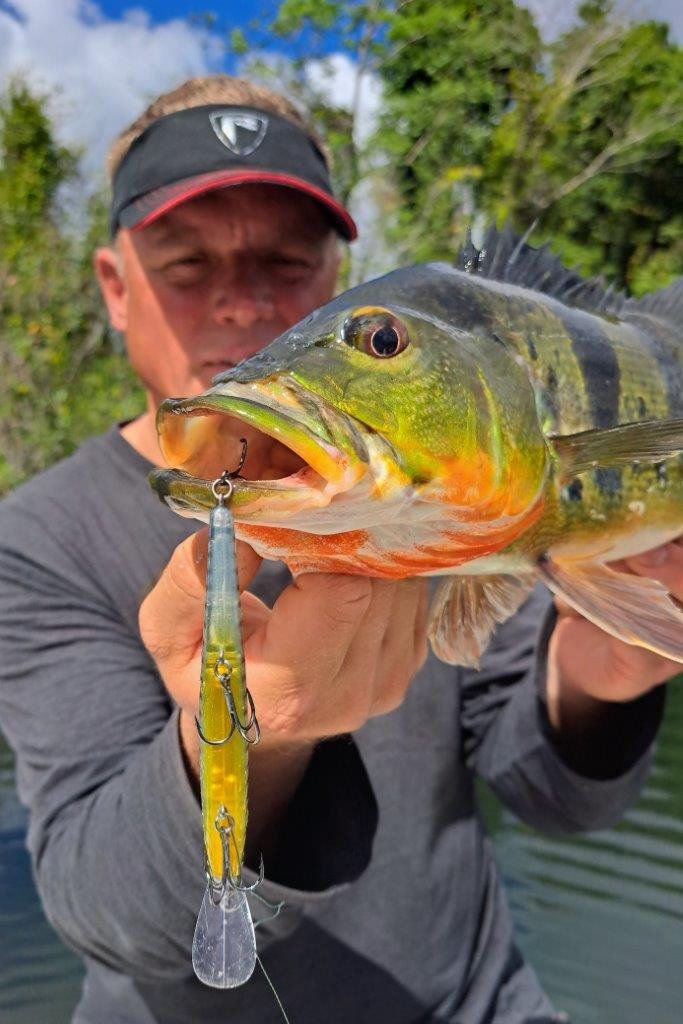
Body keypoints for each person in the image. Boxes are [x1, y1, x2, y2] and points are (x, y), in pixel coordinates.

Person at [0, 75, 680, 1024]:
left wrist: (611, 663)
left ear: (336, 275)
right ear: (115, 287)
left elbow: (552, 791)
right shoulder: (36, 540)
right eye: (188, 264)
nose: (242, 305)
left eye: (286, 260)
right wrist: (255, 739)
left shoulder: (455, 497)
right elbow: (99, 906)